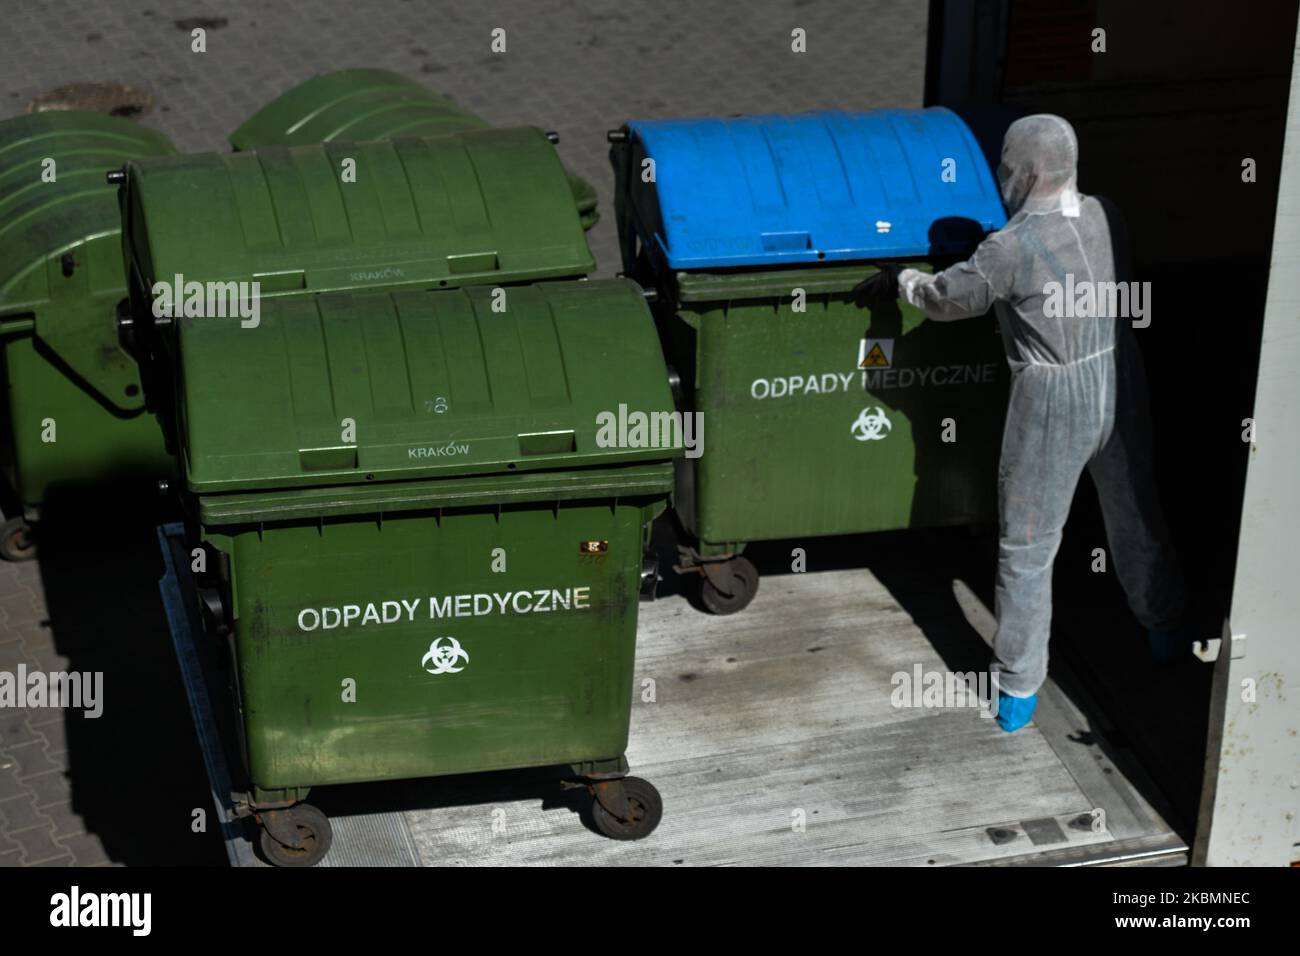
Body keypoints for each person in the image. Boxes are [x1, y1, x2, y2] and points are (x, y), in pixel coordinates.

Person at [853, 114, 1186, 732]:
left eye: (1008, 167)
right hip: (1119, 377)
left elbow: (947, 299)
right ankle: (1164, 631)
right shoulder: (1107, 214)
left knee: (1029, 549)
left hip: (1052, 398)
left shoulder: (1006, 249)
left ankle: (1016, 693)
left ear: (1026, 171)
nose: (1002, 177)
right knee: (1134, 512)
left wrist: (901, 280)